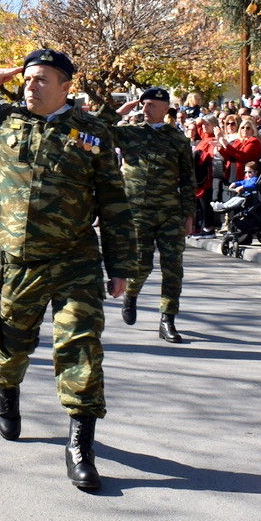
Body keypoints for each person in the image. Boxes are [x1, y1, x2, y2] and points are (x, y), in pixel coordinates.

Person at [0, 49, 135, 491]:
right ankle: (7, 393)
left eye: (41, 79)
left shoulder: (92, 131)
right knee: (12, 344)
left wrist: (120, 264)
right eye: (26, 78)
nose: (30, 85)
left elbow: (113, 200)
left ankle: (80, 445)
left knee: (81, 347)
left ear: (65, 86)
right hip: (18, 260)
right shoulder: (1, 119)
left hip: (76, 258)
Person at [99, 86, 195, 341]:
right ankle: (131, 294)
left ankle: (167, 320)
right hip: (137, 211)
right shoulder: (130, 133)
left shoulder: (177, 139)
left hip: (170, 212)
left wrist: (189, 214)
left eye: (151, 104)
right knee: (141, 264)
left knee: (173, 267)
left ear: (165, 109)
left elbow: (188, 179)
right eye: (143, 104)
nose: (146, 108)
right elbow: (97, 129)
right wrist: (118, 112)